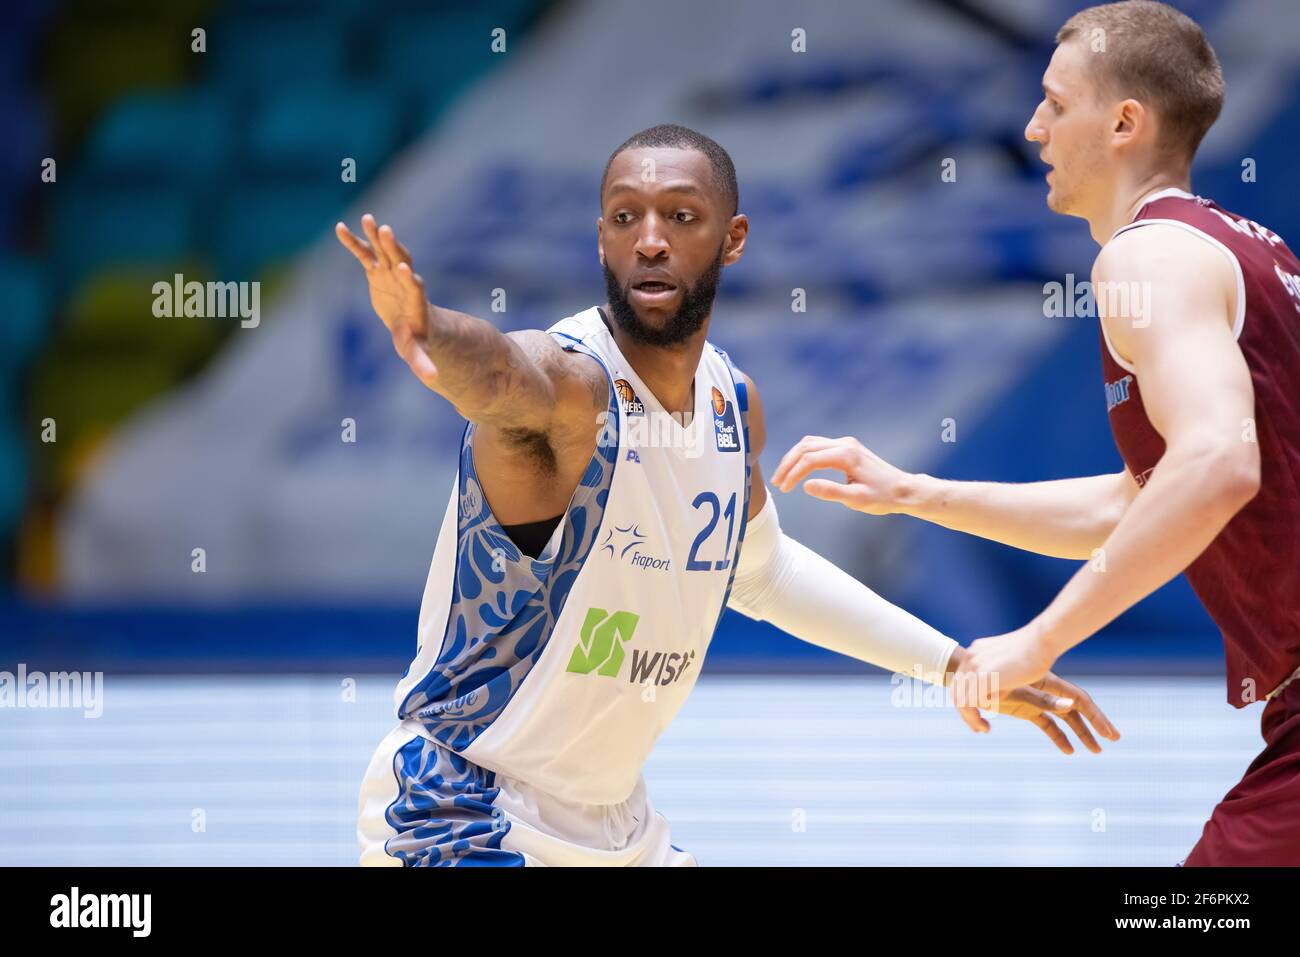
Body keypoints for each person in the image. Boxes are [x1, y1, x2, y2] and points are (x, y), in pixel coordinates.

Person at [339, 124, 1116, 867]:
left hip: (614, 821)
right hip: (467, 805)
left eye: (680, 216)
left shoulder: (730, 405)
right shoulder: (575, 387)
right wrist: (430, 330)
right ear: (601, 239)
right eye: (625, 217)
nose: (650, 238)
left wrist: (951, 663)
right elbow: (504, 372)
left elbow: (767, 575)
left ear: (733, 238)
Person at [774, 2, 1300, 865]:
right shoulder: (1245, 250)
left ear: (1126, 121)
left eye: (1056, 103)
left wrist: (1040, 636)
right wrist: (917, 493)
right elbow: (1148, 497)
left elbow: (1217, 463)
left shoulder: (1146, 258)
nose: (1033, 127)